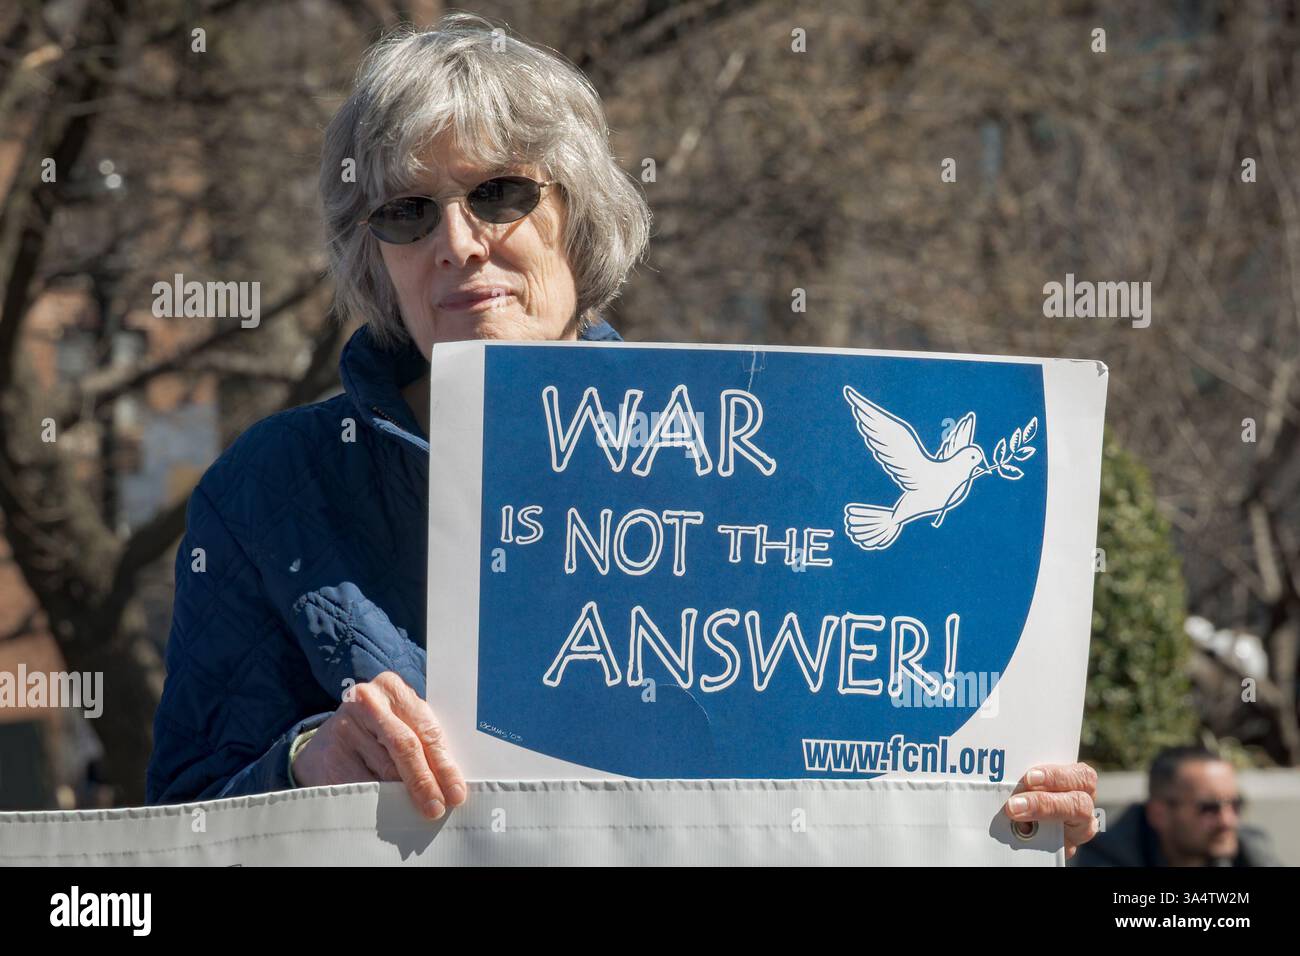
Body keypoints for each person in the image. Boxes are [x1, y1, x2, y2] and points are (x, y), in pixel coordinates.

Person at [146, 13, 1100, 859]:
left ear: (579, 211)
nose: (459, 242)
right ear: (374, 252)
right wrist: (307, 764)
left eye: (500, 193)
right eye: (408, 210)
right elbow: (172, 836)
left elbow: (847, 770)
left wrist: (999, 817)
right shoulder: (270, 491)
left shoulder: (757, 460)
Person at [1073, 745, 1279, 866]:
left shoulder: (1250, 849)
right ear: (1158, 814)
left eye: (1235, 804)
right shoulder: (1108, 855)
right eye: (1208, 808)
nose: (1228, 821)